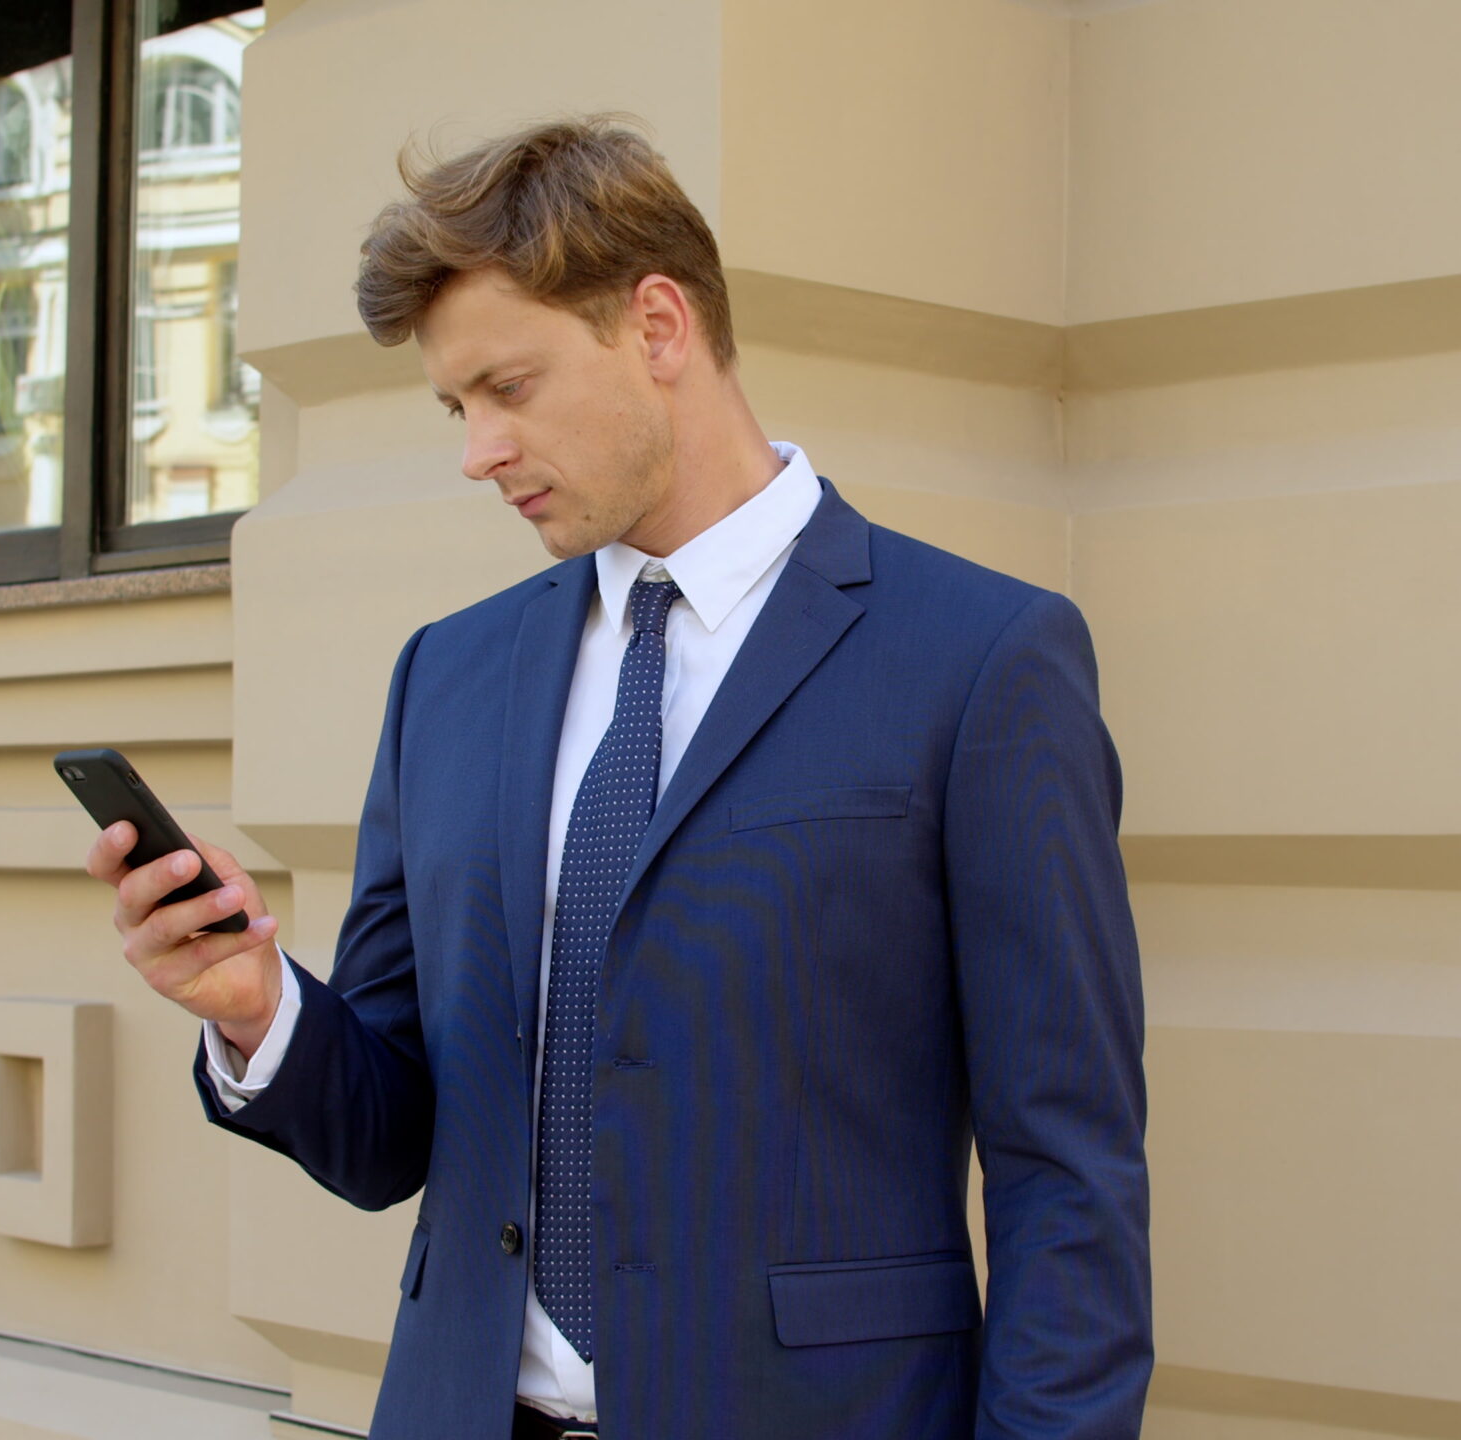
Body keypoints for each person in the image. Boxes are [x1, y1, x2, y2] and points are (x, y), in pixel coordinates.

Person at [88, 117, 1149, 1440]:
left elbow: (1070, 1175)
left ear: (656, 327)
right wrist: (257, 1013)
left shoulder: (982, 659)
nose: (477, 450)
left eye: (508, 388)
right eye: (456, 408)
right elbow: (391, 1140)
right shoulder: (447, 677)